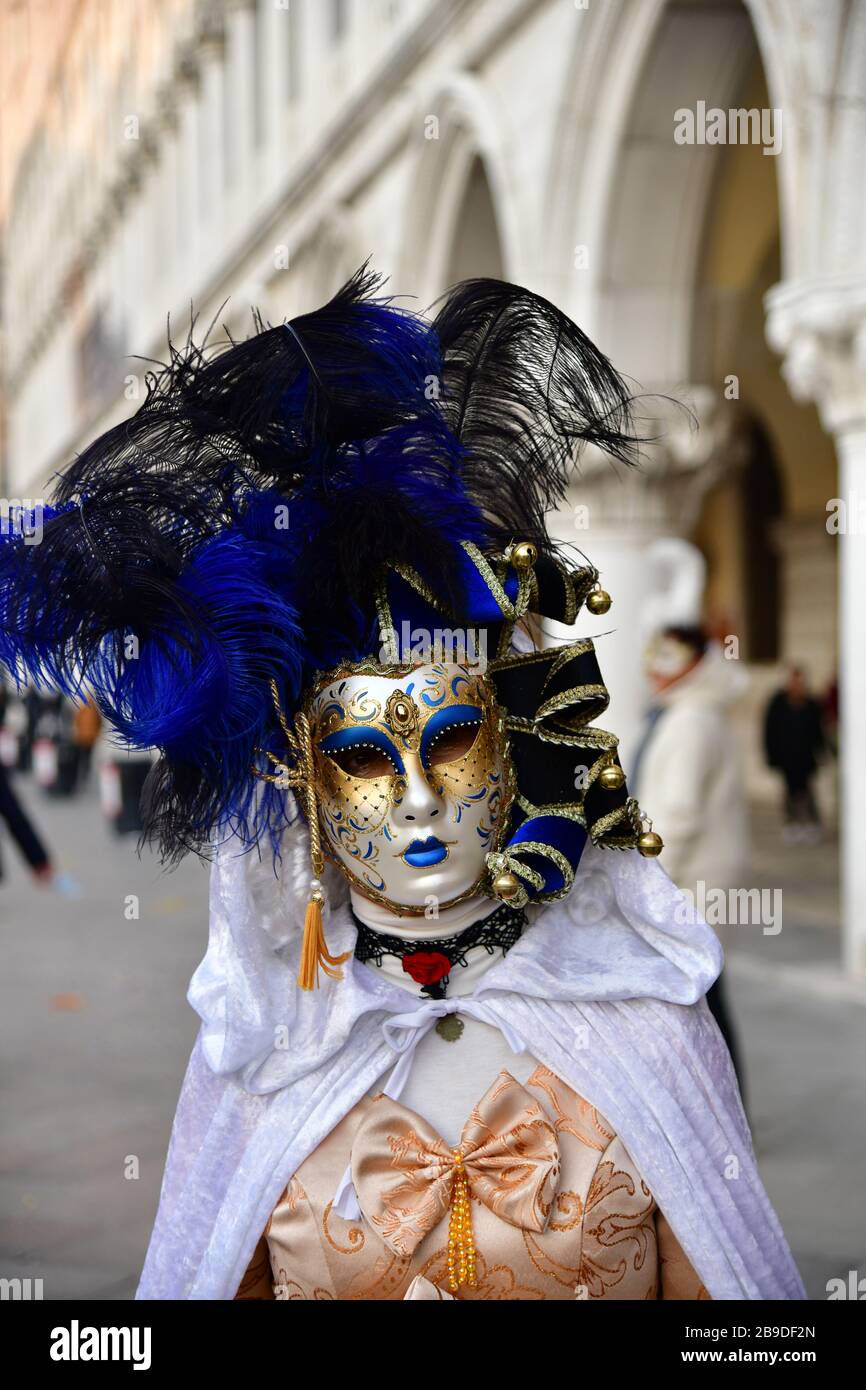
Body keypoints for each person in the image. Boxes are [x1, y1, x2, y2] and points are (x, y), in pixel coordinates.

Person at [0, 270, 804, 1300]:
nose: (418, 798)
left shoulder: (645, 1027)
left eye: (453, 738)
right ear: (303, 782)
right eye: (364, 757)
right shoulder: (260, 1060)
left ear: (512, 745)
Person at [631, 625, 749, 1094]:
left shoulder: (691, 720)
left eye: (667, 658)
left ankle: (720, 1110)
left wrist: (650, 884)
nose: (653, 670)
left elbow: (679, 816)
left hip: (690, 881)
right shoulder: (684, 712)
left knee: (699, 1001)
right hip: (692, 878)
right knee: (704, 999)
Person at [764, 666, 825, 841]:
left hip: (805, 756)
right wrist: (771, 755)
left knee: (807, 791)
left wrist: (821, 752)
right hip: (786, 756)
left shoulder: (811, 703)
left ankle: (812, 823)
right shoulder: (778, 703)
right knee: (790, 791)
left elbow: (817, 730)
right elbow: (770, 731)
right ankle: (792, 824)